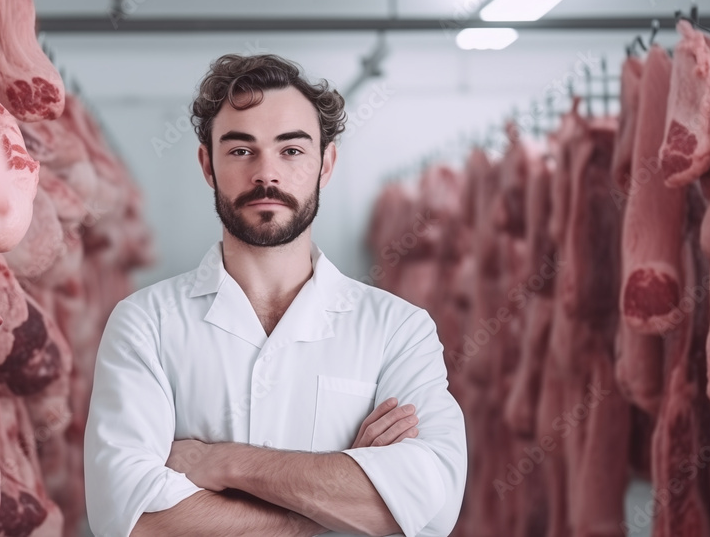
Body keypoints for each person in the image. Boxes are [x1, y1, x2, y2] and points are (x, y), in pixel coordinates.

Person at [84, 54, 466, 537]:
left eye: (291, 151)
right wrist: (336, 500)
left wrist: (220, 462)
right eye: (241, 150)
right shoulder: (145, 322)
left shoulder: (399, 330)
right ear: (208, 164)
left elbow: (432, 508)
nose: (267, 174)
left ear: (326, 164)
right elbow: (130, 517)